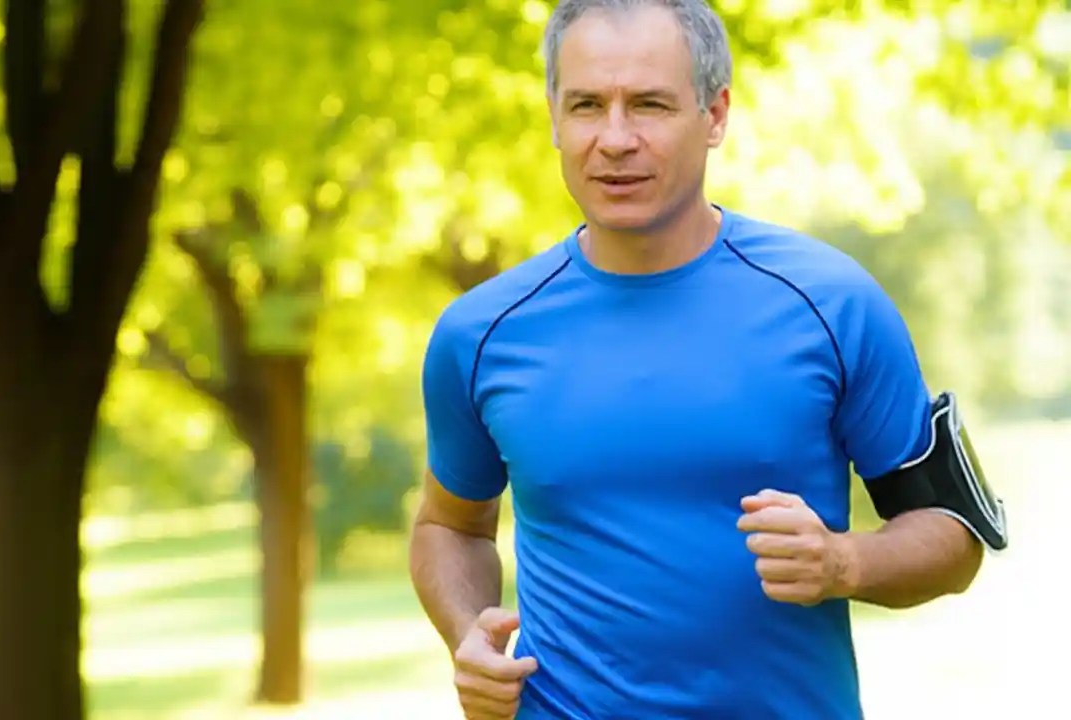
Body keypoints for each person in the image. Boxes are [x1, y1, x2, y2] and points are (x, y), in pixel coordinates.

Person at [408, 1, 993, 718]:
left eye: (649, 105)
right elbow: (449, 525)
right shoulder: (480, 333)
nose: (614, 139)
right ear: (555, 119)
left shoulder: (832, 304)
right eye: (587, 105)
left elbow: (955, 538)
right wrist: (468, 635)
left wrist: (844, 562)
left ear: (715, 115)